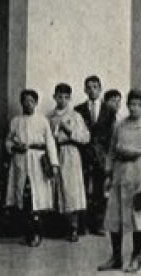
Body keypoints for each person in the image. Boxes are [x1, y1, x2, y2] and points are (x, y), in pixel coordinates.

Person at [98, 89, 141, 273]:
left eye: (139, 105)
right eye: (132, 104)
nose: (134, 108)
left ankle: (136, 256)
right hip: (120, 173)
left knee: (138, 217)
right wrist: (108, 174)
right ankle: (116, 257)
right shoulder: (120, 125)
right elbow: (111, 151)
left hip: (139, 174)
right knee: (114, 217)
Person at [5, 89, 60, 247]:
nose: (28, 104)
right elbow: (8, 140)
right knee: (24, 196)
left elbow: (50, 142)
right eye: (25, 101)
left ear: (36, 103)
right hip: (21, 160)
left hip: (38, 160)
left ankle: (37, 232)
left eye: (31, 101)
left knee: (38, 197)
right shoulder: (16, 121)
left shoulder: (42, 120)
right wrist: (14, 146)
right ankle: (28, 232)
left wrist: (54, 164)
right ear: (21, 102)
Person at [47, 83, 90, 242]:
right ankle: (59, 227)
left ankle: (74, 228)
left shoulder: (75, 116)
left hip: (70, 153)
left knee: (71, 190)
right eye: (59, 97)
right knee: (56, 189)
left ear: (70, 98)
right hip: (55, 152)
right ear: (54, 97)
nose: (62, 100)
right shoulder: (50, 116)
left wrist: (69, 130)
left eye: (66, 97)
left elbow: (85, 137)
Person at [75, 75, 116, 235]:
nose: (92, 90)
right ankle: (82, 225)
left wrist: (107, 156)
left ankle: (98, 224)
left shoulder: (109, 110)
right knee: (83, 188)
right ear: (85, 90)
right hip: (84, 154)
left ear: (100, 89)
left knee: (100, 191)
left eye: (95, 87)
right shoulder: (78, 110)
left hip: (101, 155)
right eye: (89, 87)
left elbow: (111, 135)